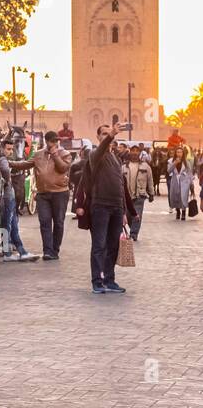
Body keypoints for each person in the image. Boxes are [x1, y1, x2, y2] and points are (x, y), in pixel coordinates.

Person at [74, 125, 137, 294]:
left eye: (108, 133)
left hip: (116, 208)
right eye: (104, 133)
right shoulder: (95, 155)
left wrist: (124, 211)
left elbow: (121, 186)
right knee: (99, 246)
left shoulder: (115, 158)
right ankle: (97, 281)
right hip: (100, 207)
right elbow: (101, 149)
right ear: (98, 137)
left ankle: (109, 280)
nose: (107, 136)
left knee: (113, 246)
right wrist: (111, 135)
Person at [31, 131, 71, 260]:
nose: (54, 143)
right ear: (46, 141)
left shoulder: (65, 154)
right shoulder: (38, 155)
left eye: (56, 141)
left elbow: (63, 168)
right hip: (43, 194)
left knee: (58, 222)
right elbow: (26, 164)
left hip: (60, 193)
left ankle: (55, 250)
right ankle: (47, 251)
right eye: (51, 141)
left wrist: (55, 155)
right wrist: (8, 162)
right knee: (44, 222)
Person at [0, 141, 38, 261]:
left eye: (12, 149)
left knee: (13, 225)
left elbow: (18, 165)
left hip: (9, 197)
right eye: (8, 149)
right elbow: (6, 170)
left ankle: (21, 251)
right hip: (7, 198)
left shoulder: (3, 159)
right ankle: (7, 253)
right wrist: (7, 180)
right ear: (2, 148)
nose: (11, 152)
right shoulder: (2, 160)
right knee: (8, 225)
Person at [124, 147, 153, 239]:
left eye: (137, 151)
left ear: (140, 153)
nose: (135, 153)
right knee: (128, 215)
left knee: (137, 215)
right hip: (126, 196)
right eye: (133, 151)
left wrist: (151, 193)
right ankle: (132, 227)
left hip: (140, 195)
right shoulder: (123, 167)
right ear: (130, 152)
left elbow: (150, 180)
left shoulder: (146, 166)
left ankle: (133, 234)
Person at [167, 146, 193, 220]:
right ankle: (178, 211)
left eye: (180, 152)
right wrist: (175, 163)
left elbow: (190, 173)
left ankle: (184, 212)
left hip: (184, 181)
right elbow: (169, 171)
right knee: (175, 197)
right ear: (175, 153)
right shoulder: (170, 161)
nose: (179, 154)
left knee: (184, 197)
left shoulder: (186, 162)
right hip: (175, 181)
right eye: (177, 152)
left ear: (183, 153)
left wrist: (191, 184)